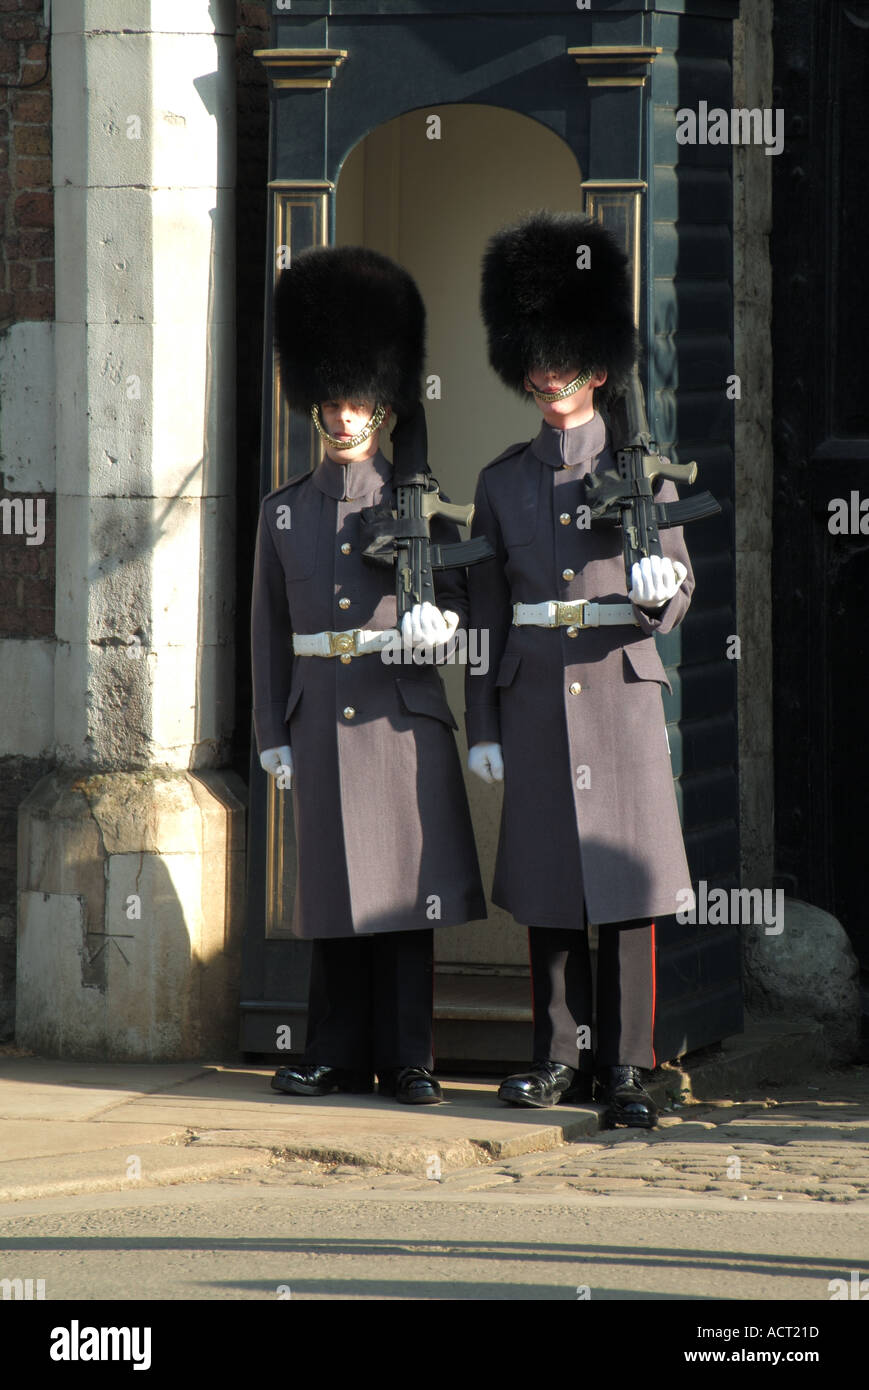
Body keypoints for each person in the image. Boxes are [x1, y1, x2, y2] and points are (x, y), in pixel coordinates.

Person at [466, 211, 695, 1128]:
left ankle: (628, 1069)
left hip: (618, 689)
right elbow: (485, 609)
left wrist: (653, 587)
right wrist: (481, 723)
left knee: (626, 887)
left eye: (566, 357)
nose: (549, 374)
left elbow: (678, 594)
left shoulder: (646, 473)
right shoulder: (500, 480)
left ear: (597, 368)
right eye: (537, 358)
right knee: (550, 882)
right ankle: (556, 1056)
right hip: (532, 696)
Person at [252, 245, 486, 1105]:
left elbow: (466, 602)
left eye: (360, 403)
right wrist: (271, 732)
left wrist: (443, 625)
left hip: (398, 713)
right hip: (319, 715)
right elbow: (267, 633)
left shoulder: (419, 502)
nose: (346, 418)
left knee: (406, 895)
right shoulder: (282, 511)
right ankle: (334, 1051)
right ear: (318, 406)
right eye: (334, 403)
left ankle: (411, 1056)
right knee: (333, 895)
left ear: (382, 410)